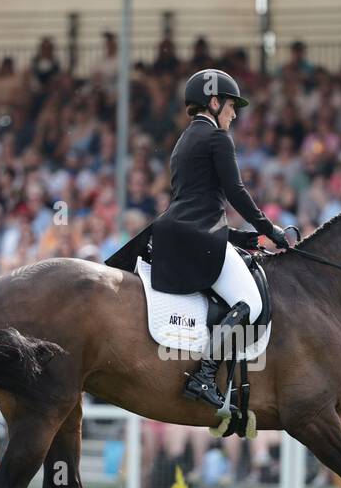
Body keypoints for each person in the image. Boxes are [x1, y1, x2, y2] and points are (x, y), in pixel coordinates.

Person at [106, 69, 288, 414]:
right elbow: (235, 192)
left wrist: (240, 236)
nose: (235, 114)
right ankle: (204, 376)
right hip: (197, 241)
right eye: (232, 106)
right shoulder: (218, 138)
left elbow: (197, 205)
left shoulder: (184, 140)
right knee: (249, 303)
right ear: (215, 102)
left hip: (176, 234)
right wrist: (269, 229)